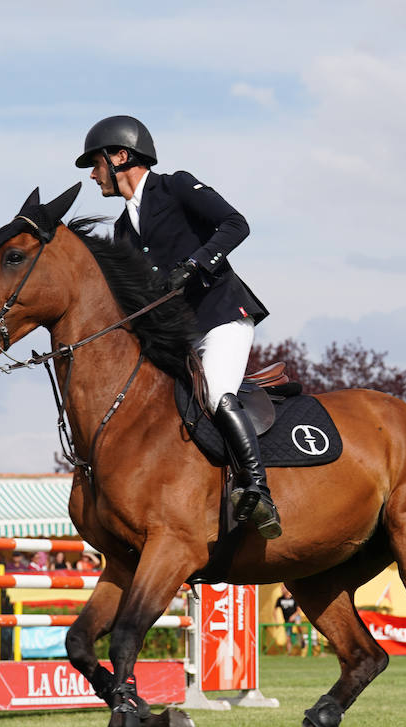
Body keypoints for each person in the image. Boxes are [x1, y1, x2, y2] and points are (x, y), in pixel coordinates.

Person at [77, 114, 279, 539]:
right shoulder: (120, 232)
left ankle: (257, 489)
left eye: (96, 164)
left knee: (217, 392)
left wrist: (195, 264)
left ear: (121, 156)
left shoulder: (176, 186)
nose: (94, 176)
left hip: (222, 317)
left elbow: (236, 224)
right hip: (181, 335)